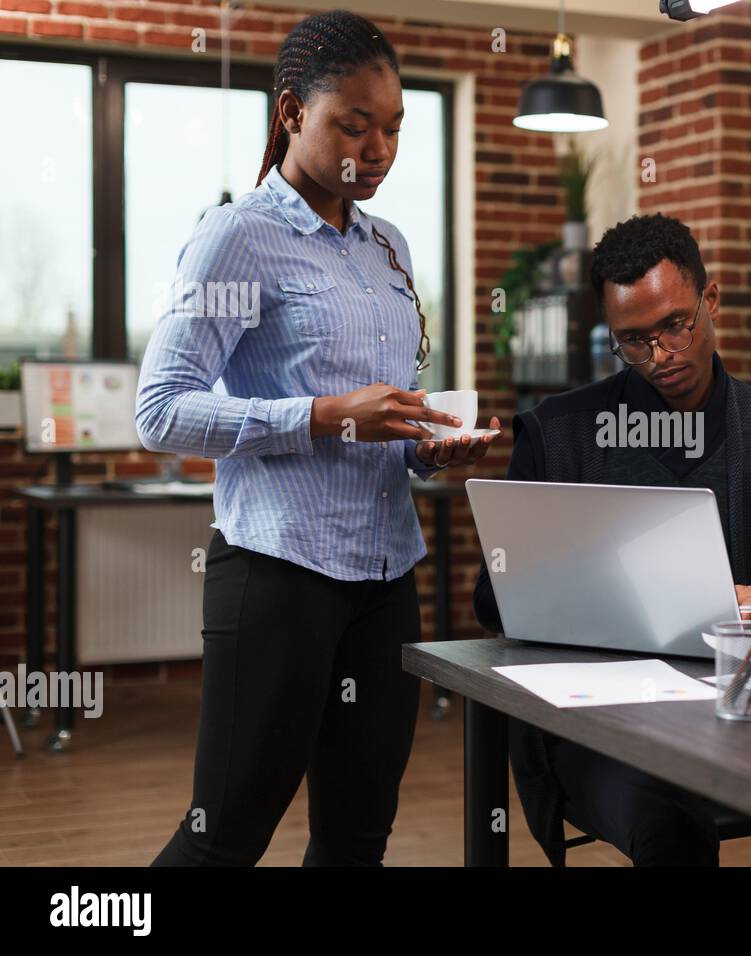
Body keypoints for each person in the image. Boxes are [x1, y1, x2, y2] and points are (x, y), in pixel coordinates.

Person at [137, 11, 499, 866]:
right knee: (225, 834)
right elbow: (159, 410)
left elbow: (382, 416)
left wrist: (426, 442)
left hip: (383, 576)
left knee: (357, 834)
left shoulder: (388, 249)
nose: (377, 149)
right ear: (294, 112)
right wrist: (325, 415)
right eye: (355, 124)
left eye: (395, 127)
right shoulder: (239, 239)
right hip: (276, 577)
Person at [473, 213, 751, 865]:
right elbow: (494, 598)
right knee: (669, 824)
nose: (661, 355)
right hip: (598, 726)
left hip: (744, 712)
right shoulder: (557, 433)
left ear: (710, 301)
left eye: (675, 325)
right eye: (633, 340)